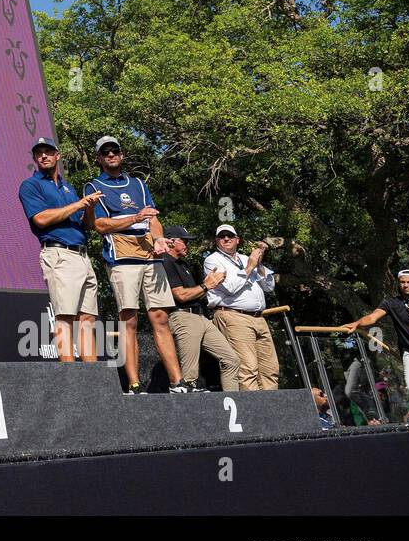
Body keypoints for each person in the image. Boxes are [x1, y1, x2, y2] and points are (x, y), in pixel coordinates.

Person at [84, 137, 189, 394]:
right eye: (105, 152)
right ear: (98, 158)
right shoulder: (93, 186)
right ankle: (133, 384)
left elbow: (152, 219)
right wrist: (135, 217)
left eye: (115, 150)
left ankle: (178, 382)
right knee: (128, 320)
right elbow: (99, 225)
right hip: (121, 256)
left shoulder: (139, 184)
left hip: (150, 254)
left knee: (160, 317)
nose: (111, 155)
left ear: (122, 154)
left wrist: (160, 238)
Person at [18, 137, 104, 363]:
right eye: (39, 153)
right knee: (65, 317)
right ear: (35, 159)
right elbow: (41, 219)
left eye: (48, 151)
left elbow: (86, 225)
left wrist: (89, 209)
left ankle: (92, 380)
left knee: (87, 319)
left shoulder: (68, 187)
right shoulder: (31, 185)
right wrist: (79, 204)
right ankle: (70, 378)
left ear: (58, 155)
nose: (43, 156)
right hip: (59, 253)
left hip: (82, 255)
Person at [158, 225, 241, 391]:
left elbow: (197, 292)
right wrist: (206, 285)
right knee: (190, 374)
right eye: (185, 241)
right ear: (172, 242)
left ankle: (233, 401)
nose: (187, 245)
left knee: (232, 360)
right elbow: (180, 295)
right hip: (183, 316)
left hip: (201, 317)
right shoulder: (165, 261)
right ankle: (191, 410)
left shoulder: (183, 264)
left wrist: (213, 284)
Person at [340, 269, 409, 421]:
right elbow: (372, 317)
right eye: (402, 282)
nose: (405, 285)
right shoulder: (391, 303)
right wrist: (358, 322)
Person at [203, 224, 280, 391]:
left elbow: (269, 286)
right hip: (233, 316)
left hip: (259, 318)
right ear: (217, 241)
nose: (226, 239)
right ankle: (252, 414)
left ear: (237, 239)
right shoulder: (212, 260)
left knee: (270, 369)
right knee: (248, 368)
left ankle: (272, 411)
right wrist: (250, 267)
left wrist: (259, 265)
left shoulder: (247, 258)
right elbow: (230, 287)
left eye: (230, 236)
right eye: (222, 236)